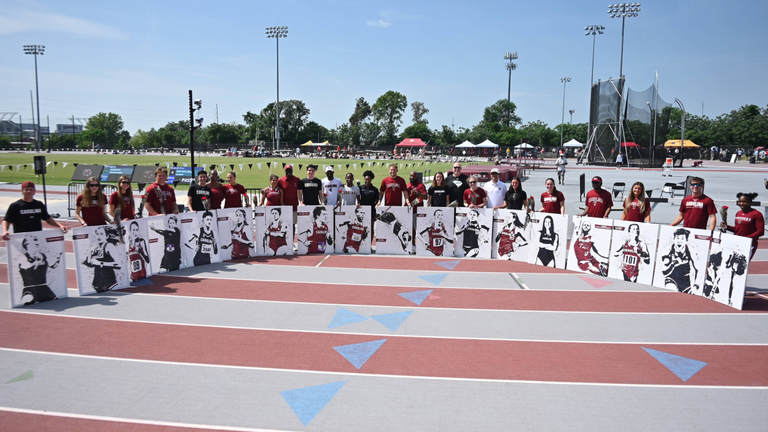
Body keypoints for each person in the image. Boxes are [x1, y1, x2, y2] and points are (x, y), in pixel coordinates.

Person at [2, 181, 67, 240]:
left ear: (34, 191)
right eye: (26, 189)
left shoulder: (39, 204)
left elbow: (48, 218)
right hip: (21, 237)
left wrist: (60, 225)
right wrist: (5, 231)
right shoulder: (15, 206)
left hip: (37, 237)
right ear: (22, 191)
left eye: (31, 189)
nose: (28, 191)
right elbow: (6, 220)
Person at [17, 234, 62, 304]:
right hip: (30, 289)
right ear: (27, 244)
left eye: (37, 241)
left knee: (55, 302)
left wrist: (58, 259)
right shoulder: (23, 258)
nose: (37, 242)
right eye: (34, 241)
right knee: (28, 304)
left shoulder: (42, 255)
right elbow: (26, 267)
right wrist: (37, 261)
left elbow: (52, 266)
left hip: (44, 288)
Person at [721, 192, 764, 260]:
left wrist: (746, 238)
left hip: (749, 244)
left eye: (744, 202)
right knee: (732, 264)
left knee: (743, 265)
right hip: (737, 242)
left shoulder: (757, 214)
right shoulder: (738, 213)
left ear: (750, 202)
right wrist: (727, 227)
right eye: (740, 201)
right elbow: (738, 229)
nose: (741, 203)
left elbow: (761, 231)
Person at [82, 226, 122, 292]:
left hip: (108, 281)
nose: (99, 236)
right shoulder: (95, 248)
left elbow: (118, 264)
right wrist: (89, 255)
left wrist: (100, 263)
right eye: (97, 234)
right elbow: (90, 264)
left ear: (106, 236)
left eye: (101, 234)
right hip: (97, 281)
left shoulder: (109, 246)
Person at [661, 228, 699, 294]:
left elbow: (697, 269)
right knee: (672, 290)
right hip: (672, 278)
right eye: (677, 238)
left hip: (686, 281)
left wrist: (696, 285)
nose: (679, 241)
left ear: (686, 240)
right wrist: (673, 265)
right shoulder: (667, 251)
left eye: (682, 239)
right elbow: (664, 272)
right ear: (674, 239)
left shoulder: (691, 252)